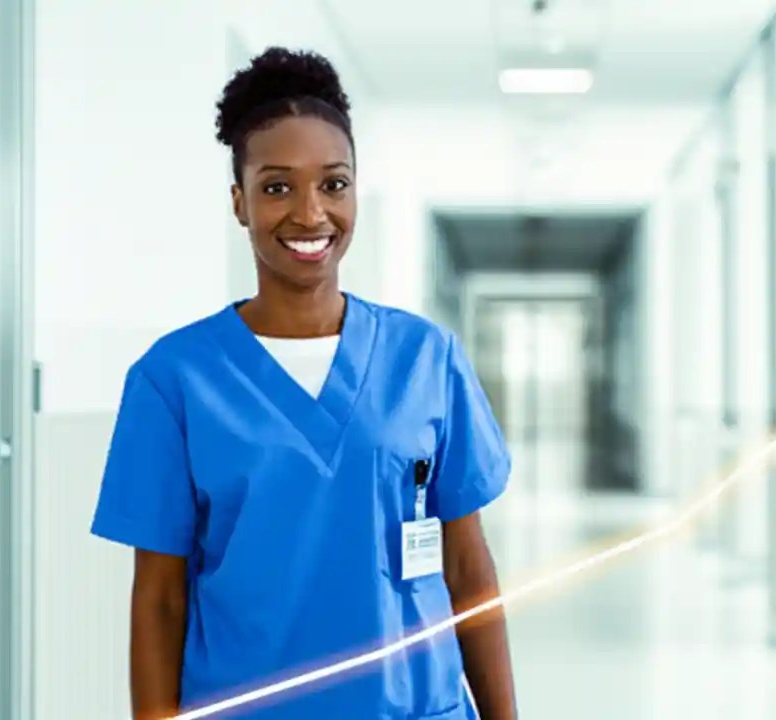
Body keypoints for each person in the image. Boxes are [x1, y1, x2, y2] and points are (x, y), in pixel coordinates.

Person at [90, 47, 517, 719]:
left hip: (414, 707)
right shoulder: (173, 378)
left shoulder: (425, 357)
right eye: (277, 186)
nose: (310, 213)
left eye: (334, 184)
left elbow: (469, 569)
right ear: (240, 201)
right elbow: (160, 598)